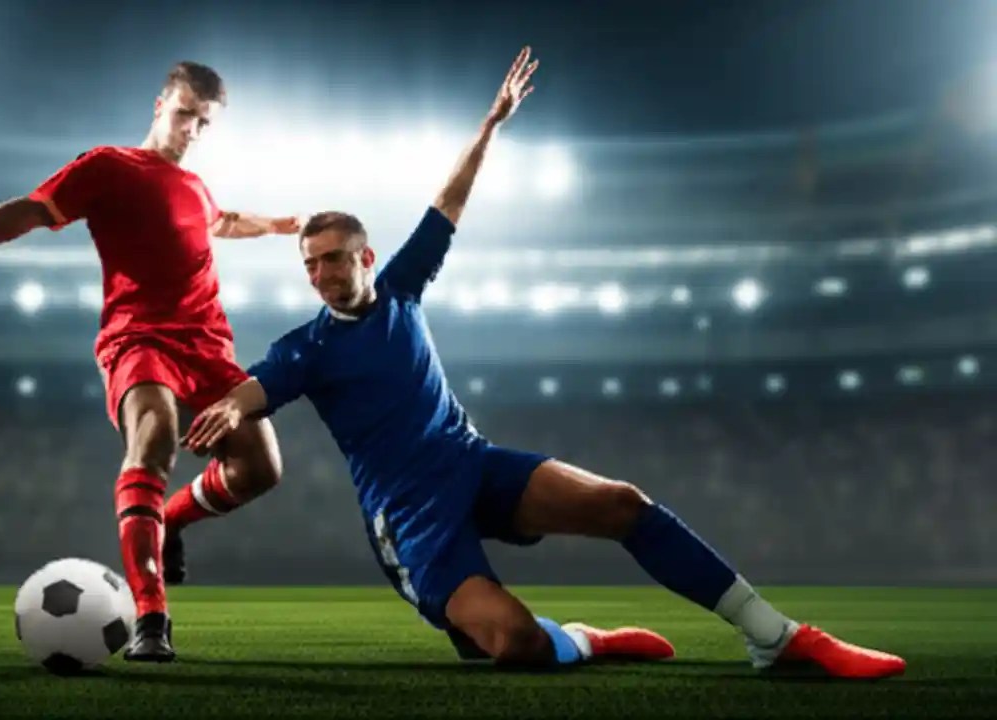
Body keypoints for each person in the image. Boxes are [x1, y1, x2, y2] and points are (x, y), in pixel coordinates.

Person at [181, 47, 906, 677]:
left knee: (624, 503)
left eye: (335, 259)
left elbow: (446, 204)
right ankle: (577, 640)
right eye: (311, 264)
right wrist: (229, 406)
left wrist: (489, 127)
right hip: (409, 518)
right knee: (516, 645)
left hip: (470, 463)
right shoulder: (307, 346)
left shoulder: (401, 289)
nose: (322, 274)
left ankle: (774, 636)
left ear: (365, 256)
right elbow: (259, 387)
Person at [0, 61, 298, 663]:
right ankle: (152, 617)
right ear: (160, 106)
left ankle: (169, 521)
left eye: (203, 122)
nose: (191, 130)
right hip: (140, 337)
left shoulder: (196, 187)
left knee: (262, 469)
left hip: (209, 344)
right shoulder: (109, 166)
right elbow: (30, 209)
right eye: (184, 114)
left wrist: (277, 224)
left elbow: (221, 220)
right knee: (156, 437)